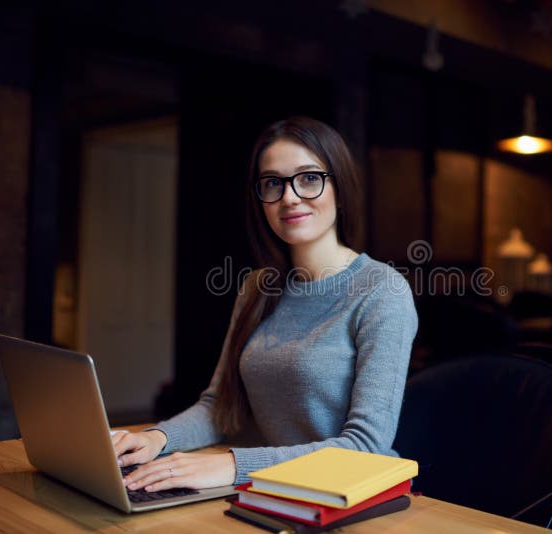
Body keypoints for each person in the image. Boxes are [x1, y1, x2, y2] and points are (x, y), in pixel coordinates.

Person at [113, 116, 418, 493]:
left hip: (350, 499)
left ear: (340, 188)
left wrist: (232, 465)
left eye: (308, 178)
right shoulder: (258, 287)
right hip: (272, 490)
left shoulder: (382, 291)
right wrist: (156, 438)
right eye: (273, 183)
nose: (289, 196)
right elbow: (219, 407)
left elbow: (366, 448)